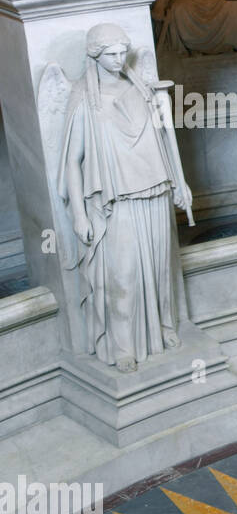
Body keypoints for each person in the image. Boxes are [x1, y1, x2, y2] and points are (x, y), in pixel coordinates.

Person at [58, 23, 192, 372]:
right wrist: (79, 215)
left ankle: (163, 327)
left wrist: (180, 184)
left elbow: (164, 142)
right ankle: (122, 345)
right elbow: (73, 161)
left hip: (154, 192)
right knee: (124, 275)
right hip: (117, 202)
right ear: (95, 55)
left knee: (160, 270)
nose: (119, 60)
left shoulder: (143, 90)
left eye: (122, 52)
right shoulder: (84, 97)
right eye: (111, 54)